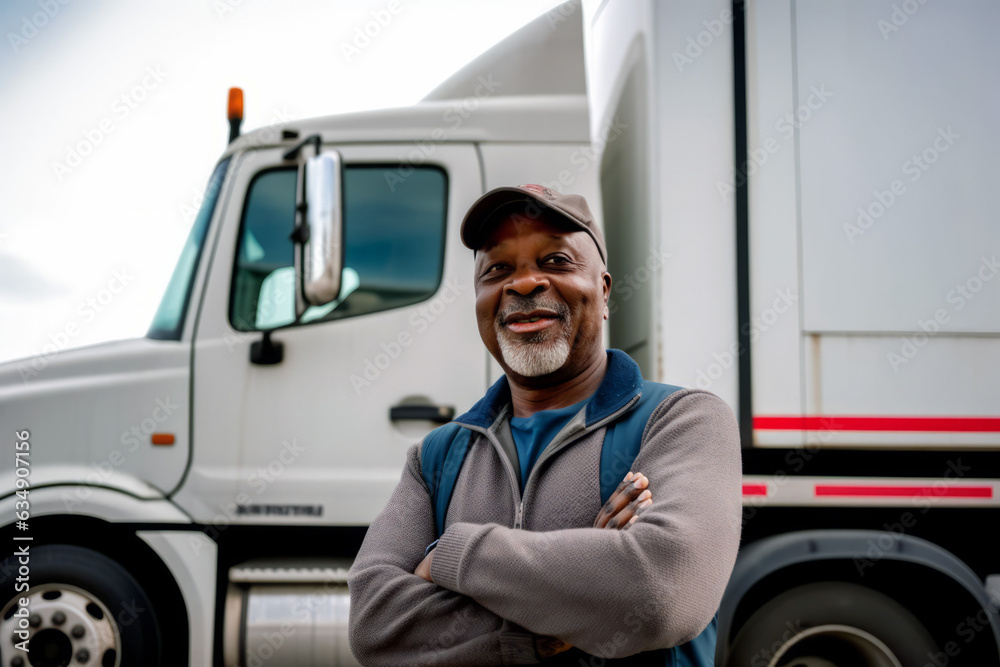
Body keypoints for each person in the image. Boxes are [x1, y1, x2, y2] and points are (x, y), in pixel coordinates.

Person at [347, 184, 742, 665]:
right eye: (498, 269)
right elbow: (374, 626)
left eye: (555, 261)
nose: (525, 283)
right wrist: (562, 614)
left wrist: (453, 554)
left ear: (604, 289)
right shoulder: (435, 457)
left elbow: (661, 594)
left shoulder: (681, 420)